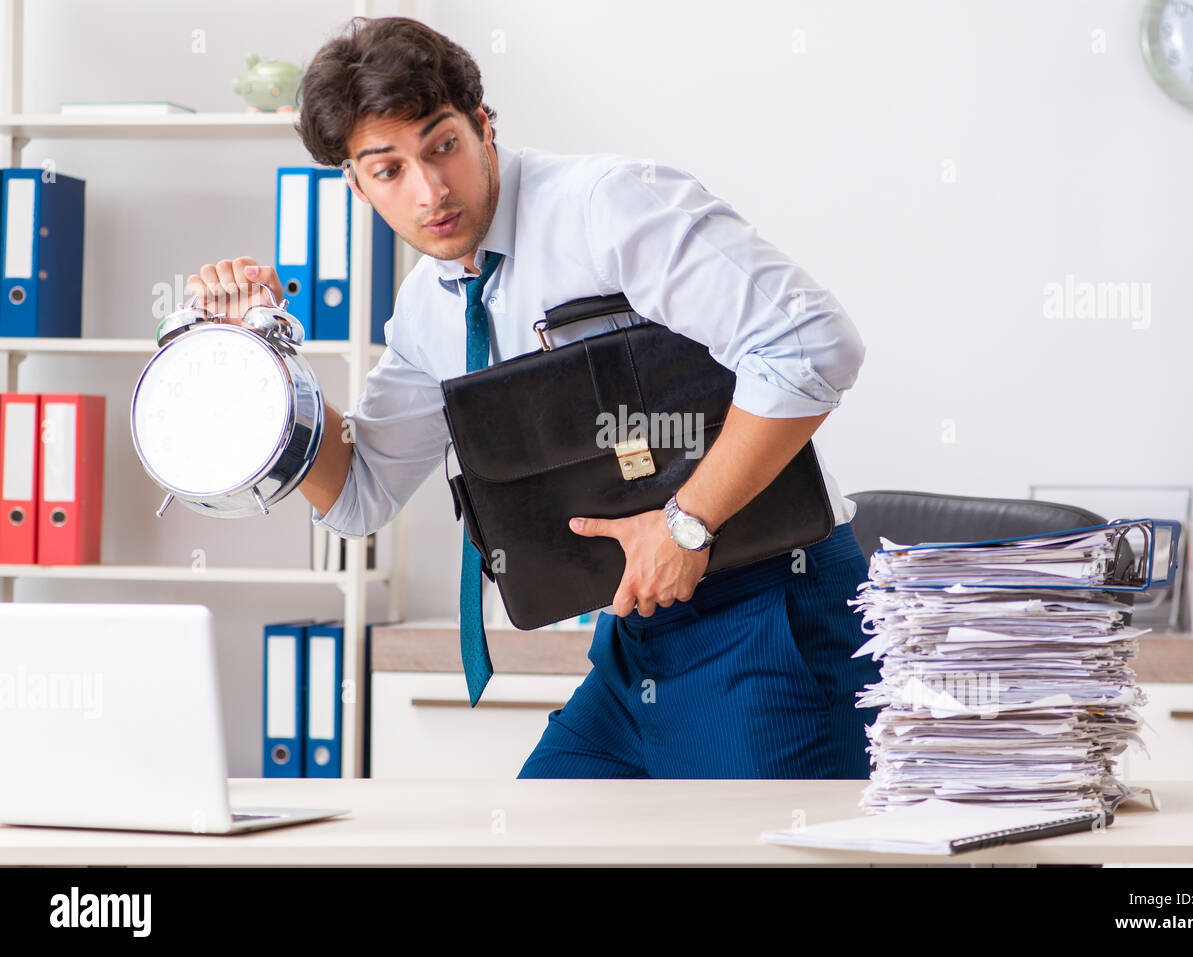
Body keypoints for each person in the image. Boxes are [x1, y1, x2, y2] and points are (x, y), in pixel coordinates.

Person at [186, 15, 880, 779]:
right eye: (388, 171)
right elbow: (359, 492)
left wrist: (686, 523)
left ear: (483, 126)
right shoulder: (428, 310)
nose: (431, 190)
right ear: (355, 185)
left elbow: (813, 343)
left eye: (441, 144)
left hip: (767, 611)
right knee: (528, 840)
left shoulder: (606, 205)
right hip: (632, 639)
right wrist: (256, 358)